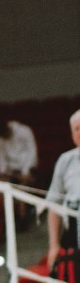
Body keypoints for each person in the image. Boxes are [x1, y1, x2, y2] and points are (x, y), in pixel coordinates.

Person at [45, 108, 80, 270]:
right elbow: (54, 204)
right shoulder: (65, 160)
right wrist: (54, 245)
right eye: (76, 129)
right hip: (74, 231)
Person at [0, 118, 37, 186]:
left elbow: (32, 151)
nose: (6, 137)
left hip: (27, 168)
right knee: (0, 186)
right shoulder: (1, 139)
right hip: (12, 171)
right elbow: (1, 157)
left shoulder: (25, 131)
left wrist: (25, 171)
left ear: (8, 129)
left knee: (24, 184)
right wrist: (2, 173)